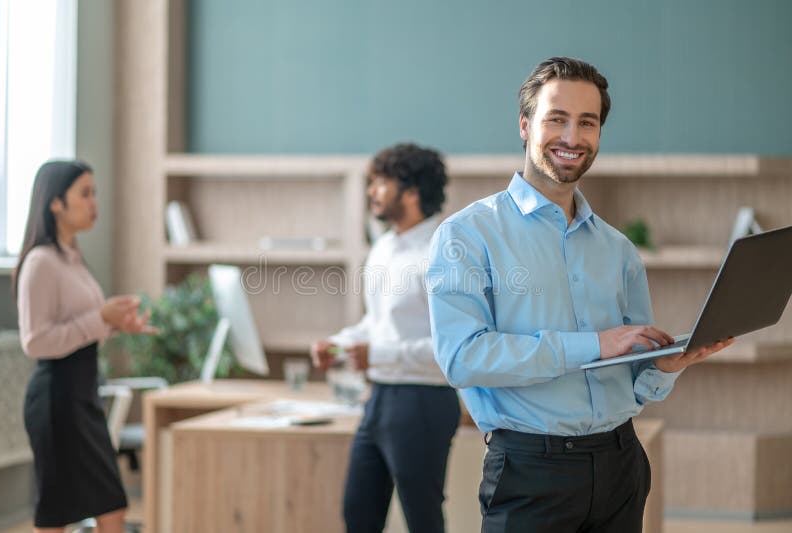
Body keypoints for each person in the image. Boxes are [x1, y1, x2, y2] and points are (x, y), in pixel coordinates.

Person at [426, 57, 735, 533]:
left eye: (587, 123)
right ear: (525, 125)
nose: (572, 137)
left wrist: (662, 366)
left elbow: (631, 376)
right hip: (531, 472)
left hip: (621, 464)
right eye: (557, 119)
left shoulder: (618, 249)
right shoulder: (467, 236)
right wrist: (594, 344)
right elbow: (462, 358)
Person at [310, 143, 459, 533]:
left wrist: (376, 354)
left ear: (411, 192)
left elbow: (452, 346)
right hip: (378, 397)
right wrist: (338, 345)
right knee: (358, 513)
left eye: (381, 183)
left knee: (422, 520)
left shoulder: (443, 251)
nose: (371, 192)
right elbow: (376, 322)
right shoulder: (384, 247)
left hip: (423, 401)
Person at [14, 160, 155, 533]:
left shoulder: (72, 259)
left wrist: (115, 324)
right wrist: (101, 318)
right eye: (85, 193)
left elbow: (80, 326)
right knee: (56, 514)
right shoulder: (41, 263)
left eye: (95, 193)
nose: (94, 203)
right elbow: (35, 341)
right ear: (55, 203)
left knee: (112, 505)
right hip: (56, 398)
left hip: (83, 395)